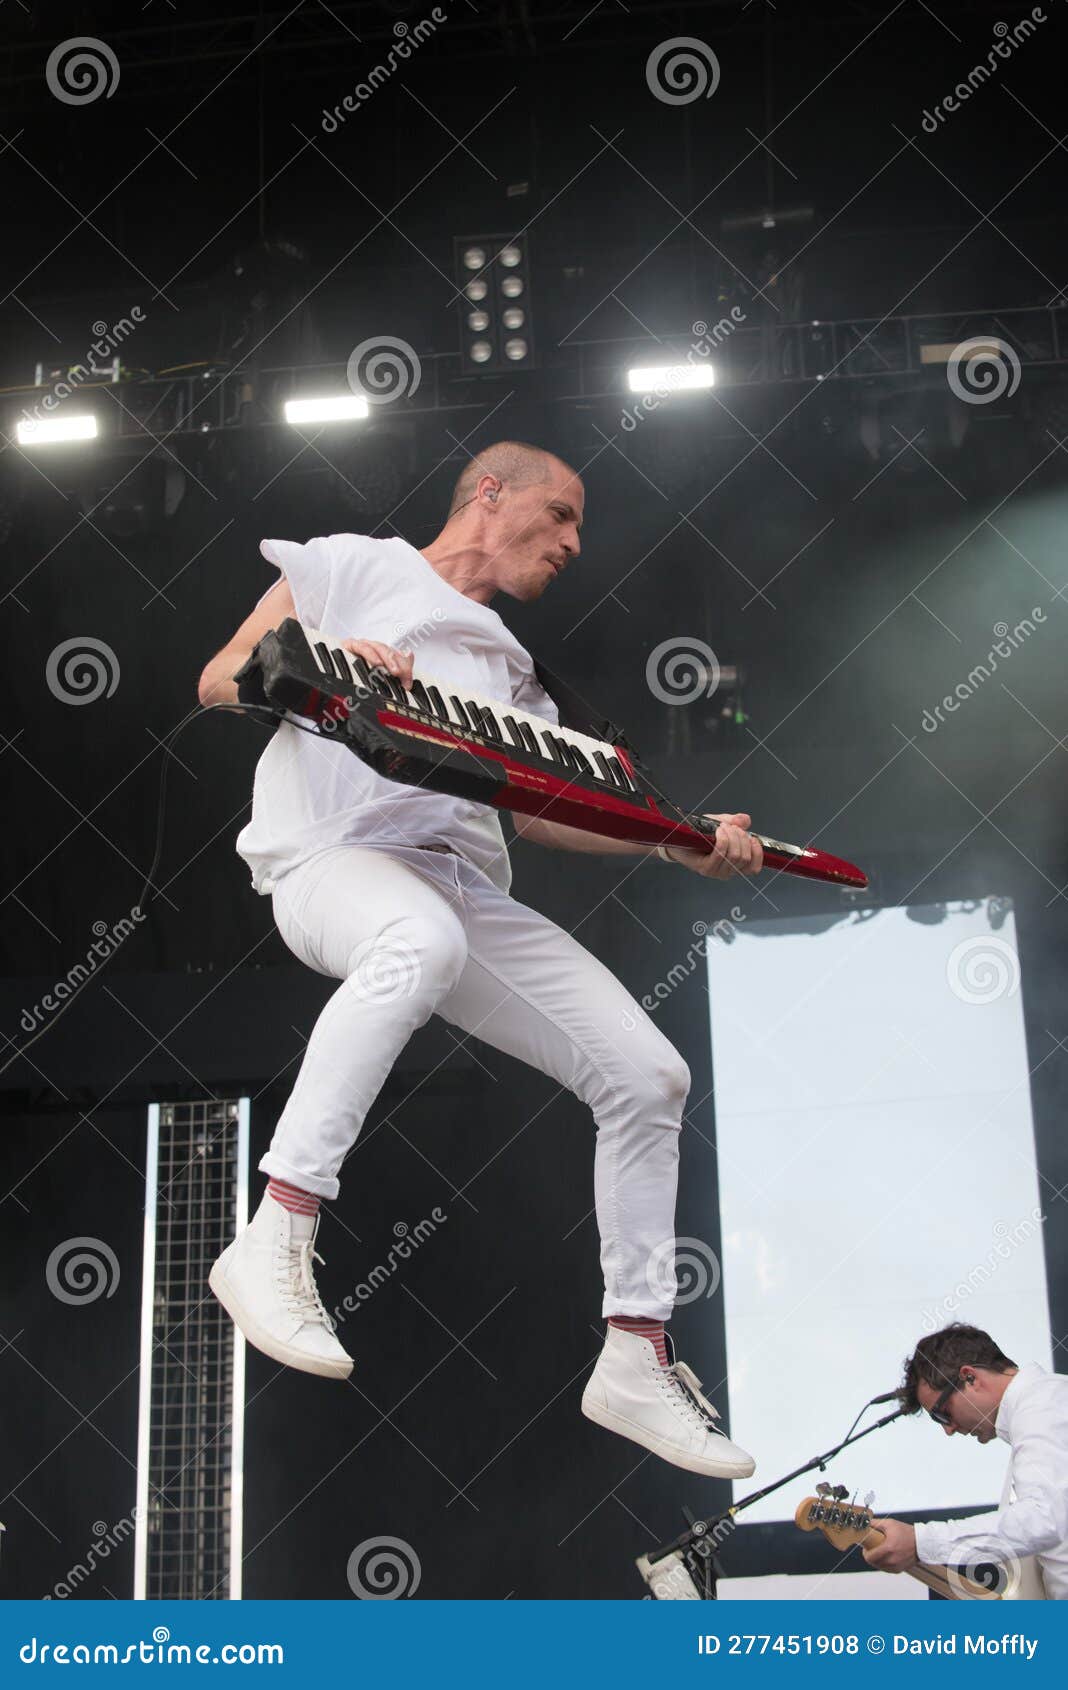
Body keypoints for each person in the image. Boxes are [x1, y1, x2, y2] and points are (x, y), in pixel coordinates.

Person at [197, 440, 764, 1478]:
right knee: (419, 937)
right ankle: (273, 1233)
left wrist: (682, 838)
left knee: (649, 1075)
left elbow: (551, 818)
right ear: (491, 494)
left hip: (458, 886)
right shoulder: (350, 565)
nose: (575, 544)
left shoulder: (510, 668)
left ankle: (636, 1354)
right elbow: (219, 679)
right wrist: (329, 666)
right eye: (562, 516)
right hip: (332, 860)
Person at [863, 1322, 1068, 1598]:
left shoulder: (1043, 1404)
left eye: (942, 1413)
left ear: (970, 1377)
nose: (948, 1429)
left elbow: (1045, 1519)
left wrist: (920, 1541)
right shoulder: (1037, 1413)